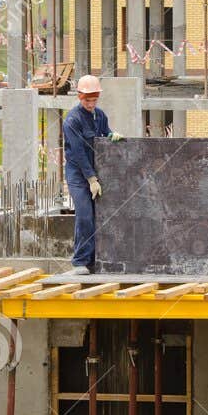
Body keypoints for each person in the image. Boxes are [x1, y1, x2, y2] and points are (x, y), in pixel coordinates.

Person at [63, 74, 122, 275]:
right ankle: (79, 261)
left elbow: (104, 134)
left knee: (99, 217)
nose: (91, 104)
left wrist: (111, 136)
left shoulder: (100, 116)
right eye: (88, 100)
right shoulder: (72, 120)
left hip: (96, 172)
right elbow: (78, 152)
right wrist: (91, 179)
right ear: (80, 97)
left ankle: (93, 261)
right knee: (85, 215)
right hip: (78, 174)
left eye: (94, 100)